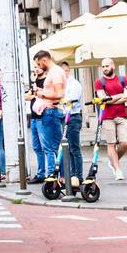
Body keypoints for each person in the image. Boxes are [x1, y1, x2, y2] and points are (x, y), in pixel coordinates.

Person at [30, 50, 67, 184]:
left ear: (44, 60)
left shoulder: (55, 72)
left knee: (50, 148)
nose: (39, 66)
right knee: (56, 147)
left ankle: (54, 178)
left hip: (51, 111)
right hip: (52, 111)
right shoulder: (55, 71)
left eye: (39, 63)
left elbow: (59, 94)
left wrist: (42, 95)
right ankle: (62, 177)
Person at [94, 57, 127, 180]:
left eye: (107, 66)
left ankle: (112, 161)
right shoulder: (99, 82)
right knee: (111, 144)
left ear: (113, 66)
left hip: (121, 115)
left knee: (125, 143)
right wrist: (121, 95)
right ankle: (117, 170)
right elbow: (104, 100)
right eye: (103, 66)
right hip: (107, 117)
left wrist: (112, 99)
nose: (105, 68)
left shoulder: (122, 79)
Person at [59, 60, 84, 192]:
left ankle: (78, 177)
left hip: (73, 117)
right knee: (67, 149)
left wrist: (62, 100)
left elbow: (72, 101)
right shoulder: (62, 84)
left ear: (67, 71)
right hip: (65, 117)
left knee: (75, 148)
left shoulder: (74, 84)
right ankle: (71, 176)